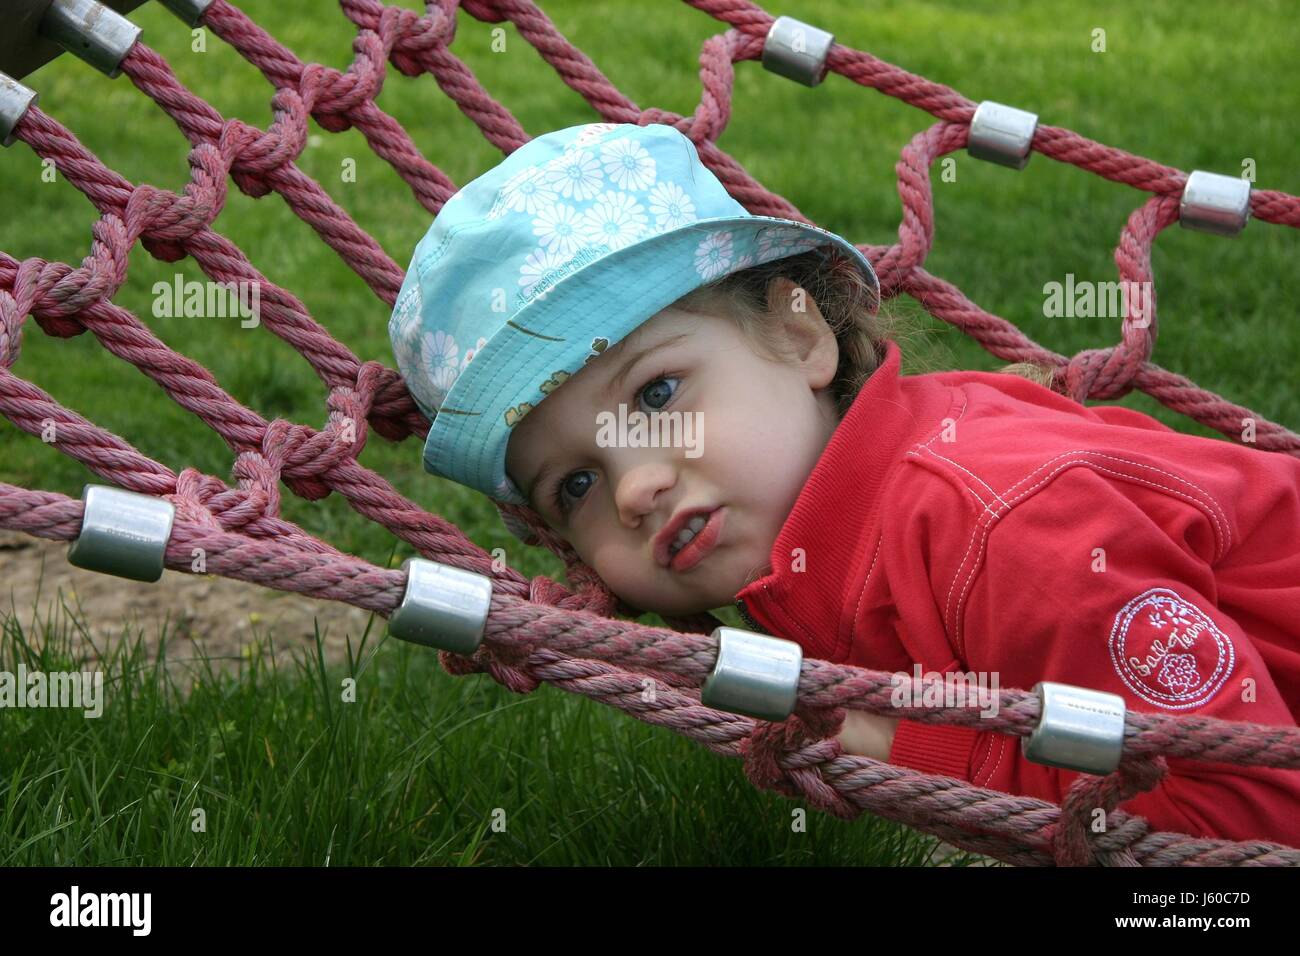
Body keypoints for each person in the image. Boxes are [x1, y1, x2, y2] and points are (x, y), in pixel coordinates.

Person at [390, 121, 1300, 846]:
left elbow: (1246, 829)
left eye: (656, 393)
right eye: (575, 485)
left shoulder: (1006, 530)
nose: (634, 491)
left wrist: (909, 752)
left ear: (799, 336)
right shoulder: (820, 532)